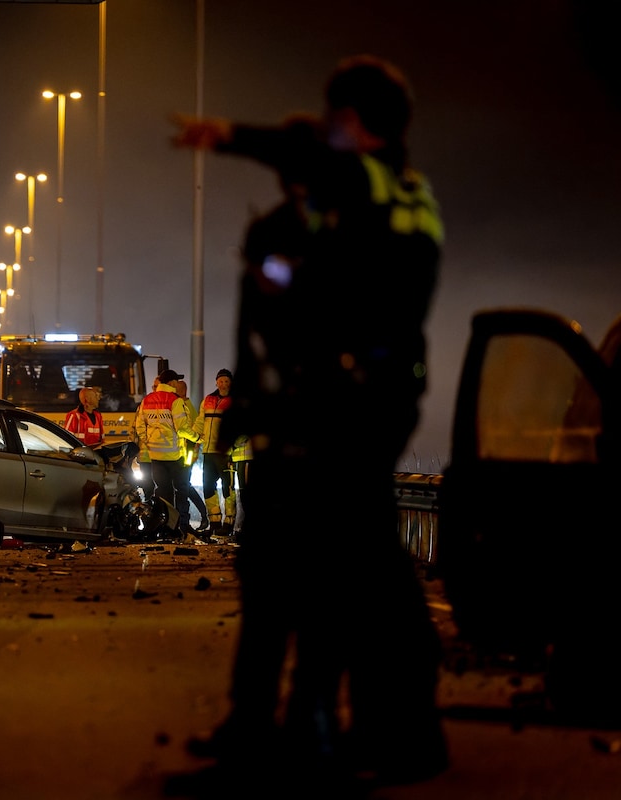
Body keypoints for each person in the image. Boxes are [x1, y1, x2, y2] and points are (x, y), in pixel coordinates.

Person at [170, 55, 448, 794]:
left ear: (352, 123)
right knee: (353, 572)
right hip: (360, 407)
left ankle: (321, 734)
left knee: (335, 575)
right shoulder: (408, 194)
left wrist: (224, 134)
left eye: (334, 122)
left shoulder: (365, 186)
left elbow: (334, 291)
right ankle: (343, 731)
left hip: (348, 411)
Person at [131, 368, 199, 539]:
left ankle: (165, 529)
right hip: (175, 456)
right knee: (181, 491)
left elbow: (139, 426)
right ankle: (181, 528)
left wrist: (149, 441)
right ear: (171, 383)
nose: (177, 384)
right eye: (176, 381)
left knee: (162, 492)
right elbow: (182, 429)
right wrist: (198, 437)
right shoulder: (174, 400)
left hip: (156, 455)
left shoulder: (147, 400)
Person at [193, 368, 243, 536]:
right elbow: (200, 422)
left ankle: (228, 523)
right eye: (220, 381)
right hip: (207, 451)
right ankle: (214, 521)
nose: (223, 384)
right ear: (216, 382)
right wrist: (194, 438)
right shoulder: (208, 400)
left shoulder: (235, 401)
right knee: (208, 487)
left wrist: (234, 444)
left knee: (227, 489)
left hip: (225, 452)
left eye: (226, 381)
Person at [171, 378, 211, 537]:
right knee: (182, 485)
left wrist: (193, 453)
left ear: (182, 391)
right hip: (182, 451)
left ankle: (202, 515)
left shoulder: (186, 406)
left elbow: (195, 432)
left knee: (184, 485)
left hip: (186, 453)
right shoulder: (182, 404)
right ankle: (200, 516)